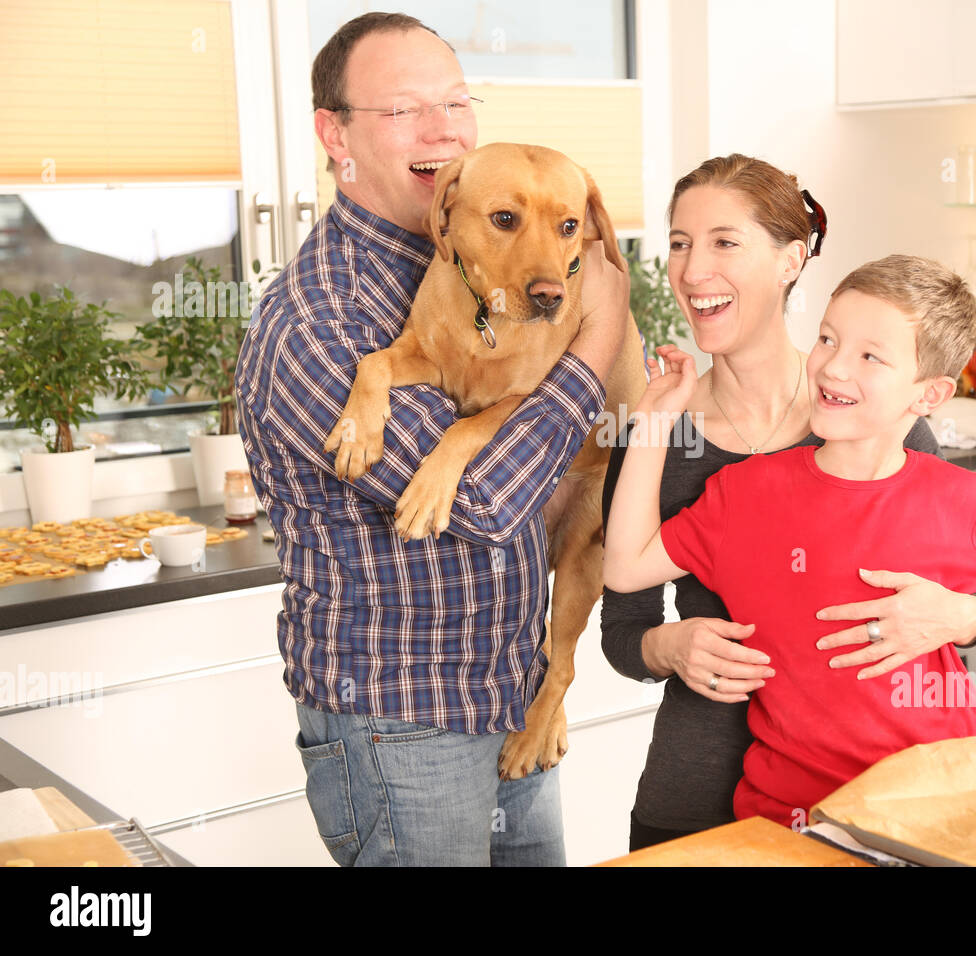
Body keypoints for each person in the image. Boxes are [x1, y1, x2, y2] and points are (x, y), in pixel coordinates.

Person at [234, 12, 629, 866]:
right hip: (401, 730)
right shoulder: (316, 319)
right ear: (333, 134)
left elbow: (561, 470)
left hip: (510, 699)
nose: (444, 127)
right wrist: (600, 337)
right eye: (407, 108)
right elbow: (487, 502)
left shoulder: (480, 263)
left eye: (456, 101)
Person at [599, 155, 976, 848]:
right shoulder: (655, 428)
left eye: (724, 242)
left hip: (861, 804)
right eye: (679, 243)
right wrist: (669, 646)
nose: (694, 270)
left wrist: (966, 615)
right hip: (692, 790)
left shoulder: (874, 415)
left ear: (792, 259)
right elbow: (622, 626)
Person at [604, 253, 976, 826]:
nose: (833, 367)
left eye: (869, 356)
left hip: (950, 798)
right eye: (829, 339)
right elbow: (626, 567)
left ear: (929, 395)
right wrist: (654, 425)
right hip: (797, 814)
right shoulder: (745, 493)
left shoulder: (954, 495)